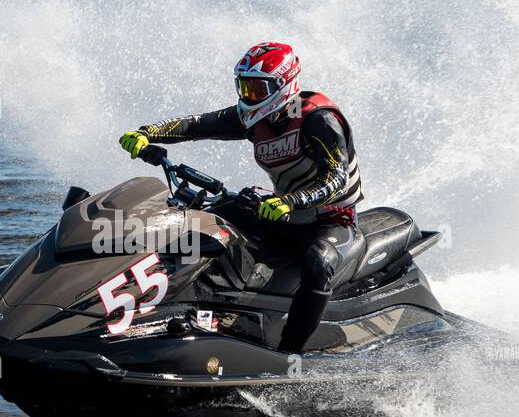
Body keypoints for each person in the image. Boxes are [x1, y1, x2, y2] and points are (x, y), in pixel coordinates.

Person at [118, 42, 363, 354]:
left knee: (318, 264)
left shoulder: (319, 119)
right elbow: (197, 125)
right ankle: (164, 309)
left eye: (256, 90)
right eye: (243, 88)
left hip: (331, 220)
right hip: (283, 212)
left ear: (283, 85)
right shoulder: (254, 117)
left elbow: (336, 178)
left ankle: (289, 355)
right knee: (208, 221)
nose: (248, 98)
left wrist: (292, 201)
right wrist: (147, 133)